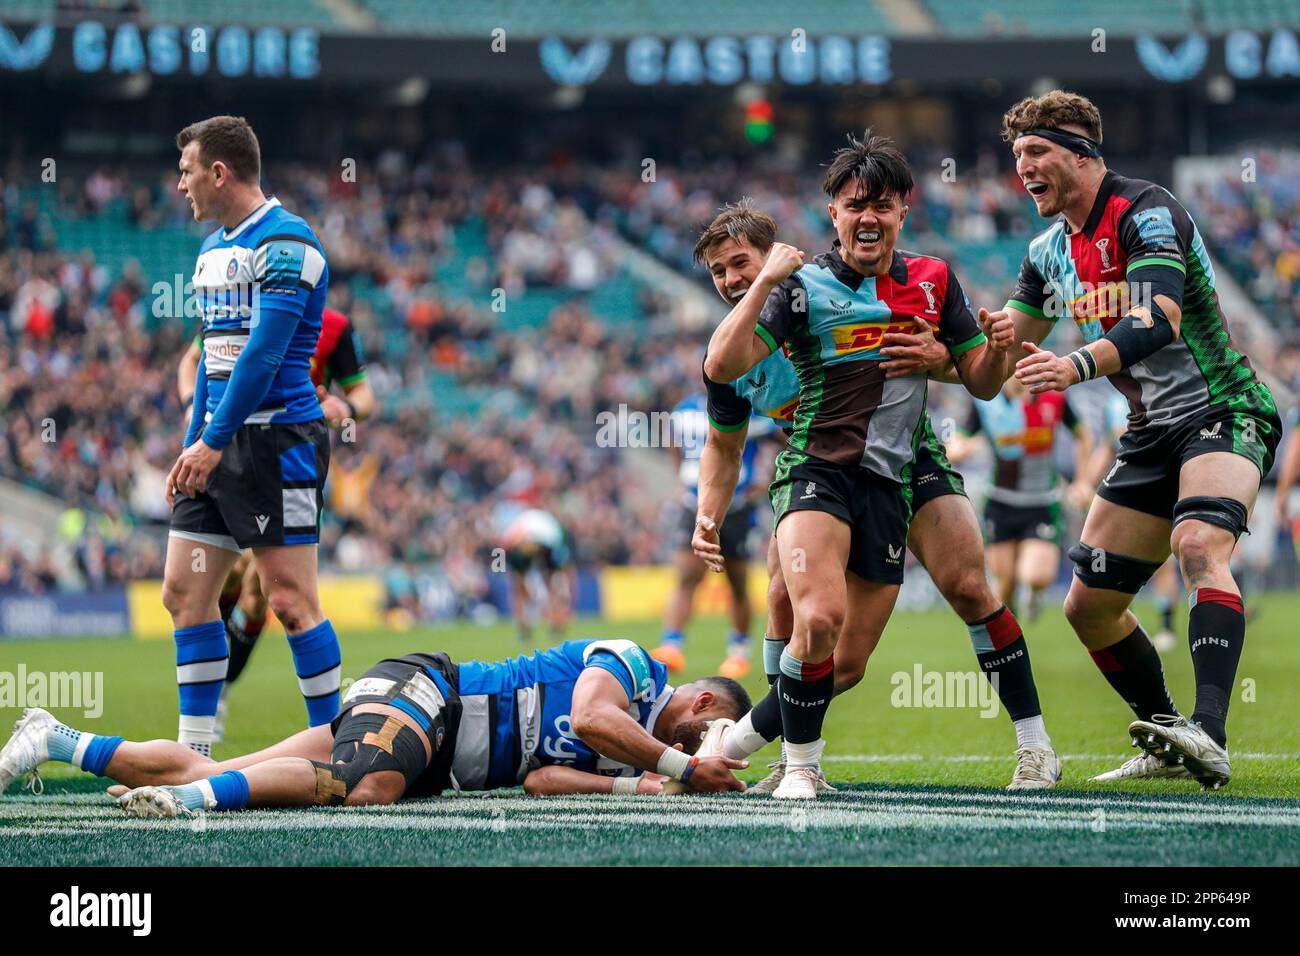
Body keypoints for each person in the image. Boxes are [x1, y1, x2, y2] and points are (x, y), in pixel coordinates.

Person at [691, 200, 1058, 793]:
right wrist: (707, 513)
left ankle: (1035, 746)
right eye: (719, 272)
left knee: (965, 590)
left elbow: (940, 352)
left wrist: (944, 357)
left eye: (742, 263)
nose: (732, 279)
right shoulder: (736, 353)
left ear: (776, 257)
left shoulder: (820, 295)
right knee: (789, 597)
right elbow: (723, 446)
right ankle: (793, 758)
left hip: (910, 462)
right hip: (828, 473)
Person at [995, 91, 1281, 788]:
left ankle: (1210, 733)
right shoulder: (1046, 251)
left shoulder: (1148, 210)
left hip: (1223, 405)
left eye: (1037, 152)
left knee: (1196, 546)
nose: (1023, 168)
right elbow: (1001, 354)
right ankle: (1168, 736)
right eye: (1016, 157)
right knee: (1088, 606)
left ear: (1083, 152)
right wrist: (940, 351)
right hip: (1151, 431)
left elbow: (1159, 318)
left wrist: (1075, 364)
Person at [0, 640, 751, 810]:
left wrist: (644, 790)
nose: (693, 750)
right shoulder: (635, 666)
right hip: (429, 691)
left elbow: (542, 779)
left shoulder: (638, 755)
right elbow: (589, 717)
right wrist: (681, 769)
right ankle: (188, 808)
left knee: (216, 766)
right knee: (361, 787)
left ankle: (57, 740)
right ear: (707, 707)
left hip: (432, 749)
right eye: (704, 737)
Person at [164, 115, 344, 757]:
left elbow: (263, 357)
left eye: (186, 171)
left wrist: (211, 441)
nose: (180, 183)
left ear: (218, 172)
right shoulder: (211, 251)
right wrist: (195, 443)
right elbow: (214, 358)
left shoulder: (289, 242)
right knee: (185, 594)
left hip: (278, 442)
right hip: (216, 441)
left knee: (292, 601)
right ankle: (193, 758)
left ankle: (339, 750)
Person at [178, 305, 376, 738]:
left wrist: (344, 406)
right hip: (220, 450)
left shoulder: (336, 325)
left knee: (263, 591)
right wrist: (195, 412)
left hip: (286, 458)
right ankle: (207, 713)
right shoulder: (232, 302)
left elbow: (363, 394)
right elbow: (193, 361)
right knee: (211, 586)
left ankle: (224, 699)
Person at [652, 387, 776, 680]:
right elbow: (675, 447)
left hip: (737, 504)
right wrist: (684, 482)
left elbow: (782, 437)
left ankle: (738, 652)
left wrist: (766, 478)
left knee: (737, 581)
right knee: (686, 575)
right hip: (694, 504)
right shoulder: (682, 409)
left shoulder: (749, 406)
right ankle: (671, 646)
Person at [947, 376, 1093, 621]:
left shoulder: (1053, 397)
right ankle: (1012, 637)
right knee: (1004, 586)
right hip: (1000, 504)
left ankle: (1034, 595)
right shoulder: (986, 402)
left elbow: (1083, 435)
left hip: (1042, 503)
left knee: (1035, 576)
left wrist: (1082, 480)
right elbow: (958, 438)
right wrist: (958, 447)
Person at [501, 507, 575, 643]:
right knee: (518, 589)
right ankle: (525, 629)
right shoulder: (512, 546)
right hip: (532, 543)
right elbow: (518, 584)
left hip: (549, 543)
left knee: (556, 587)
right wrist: (530, 596)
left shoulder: (553, 538)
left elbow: (562, 577)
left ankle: (556, 625)